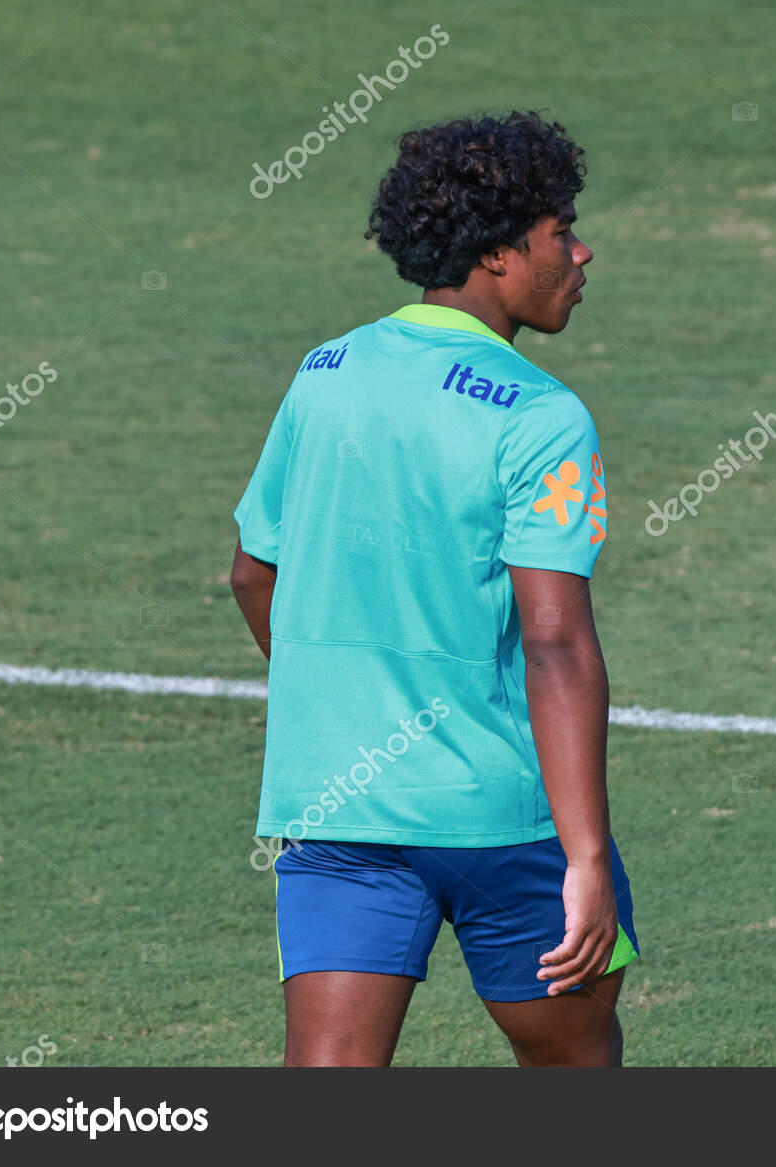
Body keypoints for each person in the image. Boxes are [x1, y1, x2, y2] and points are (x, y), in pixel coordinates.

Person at [228, 110, 633, 1067]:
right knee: (574, 1064)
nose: (582, 251)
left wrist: (345, 707)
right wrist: (585, 858)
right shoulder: (541, 414)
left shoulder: (323, 373)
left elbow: (253, 572)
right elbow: (555, 644)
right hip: (507, 814)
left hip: (341, 806)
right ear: (498, 253)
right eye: (559, 230)